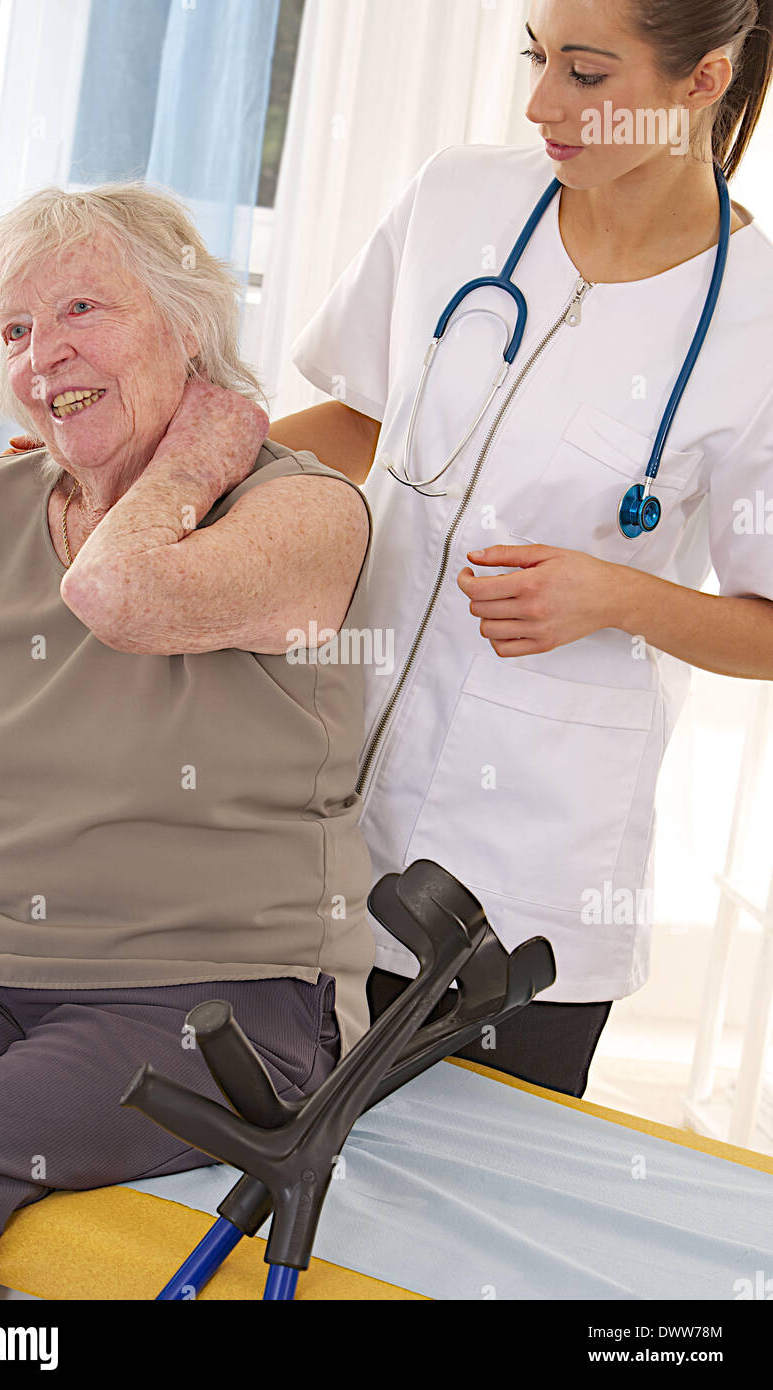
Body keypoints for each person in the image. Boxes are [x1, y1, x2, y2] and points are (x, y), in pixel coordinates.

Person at [268, 0, 773, 1099]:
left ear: (703, 82)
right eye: (534, 58)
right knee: (237, 1205)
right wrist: (143, 465)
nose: (540, 103)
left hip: (522, 890)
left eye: (586, 74)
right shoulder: (459, 200)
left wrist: (618, 595)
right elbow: (352, 422)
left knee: (438, 1252)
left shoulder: (756, 327)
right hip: (306, 825)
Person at [0, 182, 374, 1298]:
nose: (42, 354)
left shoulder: (301, 515)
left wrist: (191, 459)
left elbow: (118, 594)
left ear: (188, 324)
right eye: (15, 330)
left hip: (219, 999)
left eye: (79, 310)